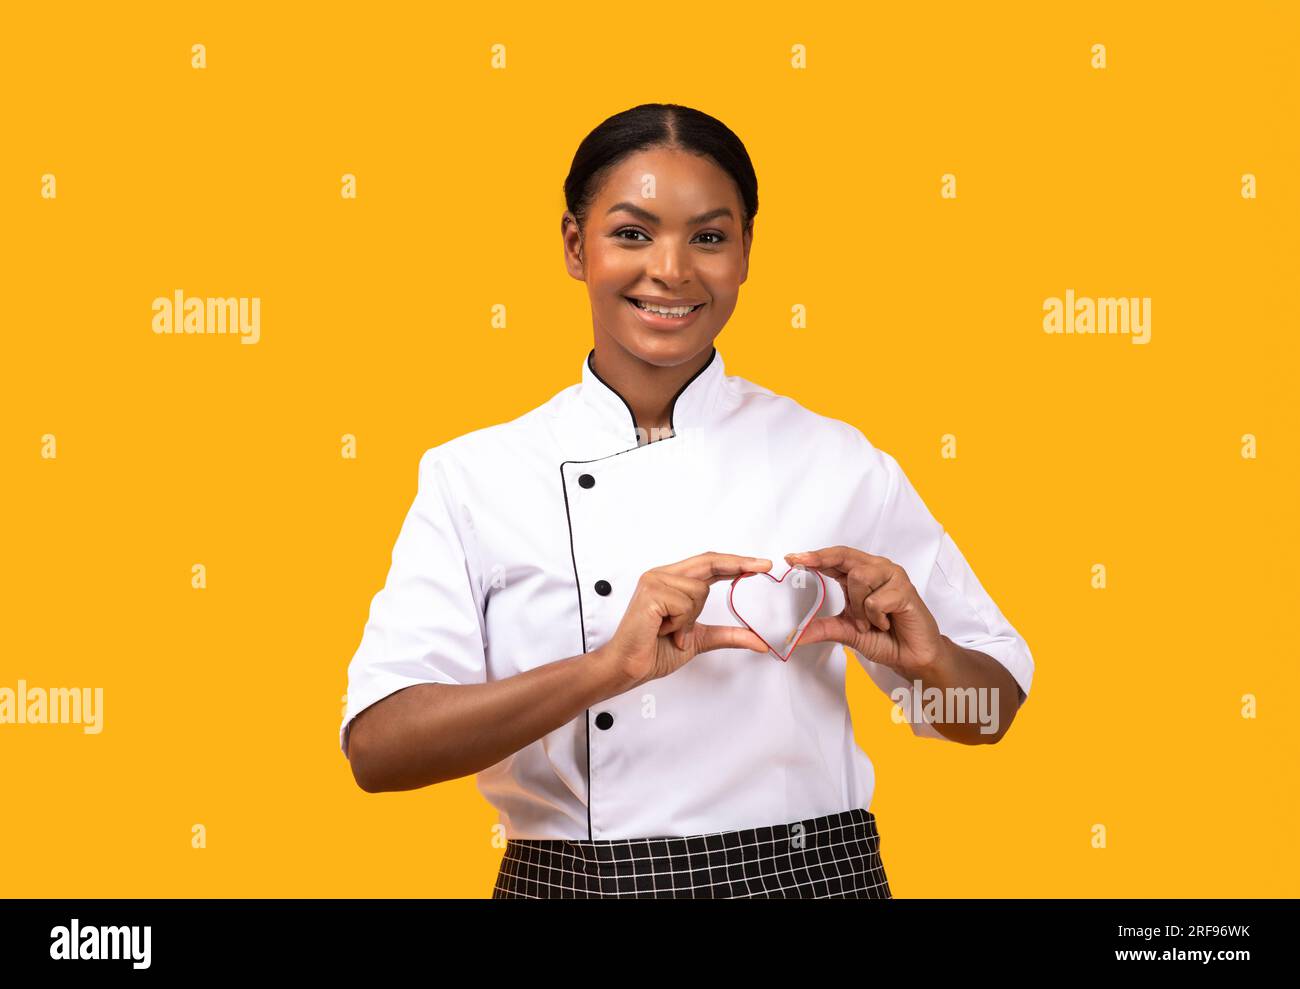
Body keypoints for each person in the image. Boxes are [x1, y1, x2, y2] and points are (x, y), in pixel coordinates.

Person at [339, 103, 1034, 898]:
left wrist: (931, 660)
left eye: (709, 236)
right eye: (632, 233)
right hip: (572, 883)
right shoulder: (476, 475)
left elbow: (990, 712)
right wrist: (608, 668)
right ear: (576, 245)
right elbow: (379, 751)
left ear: (744, 253)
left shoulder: (835, 458)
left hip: (811, 878)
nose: (671, 270)